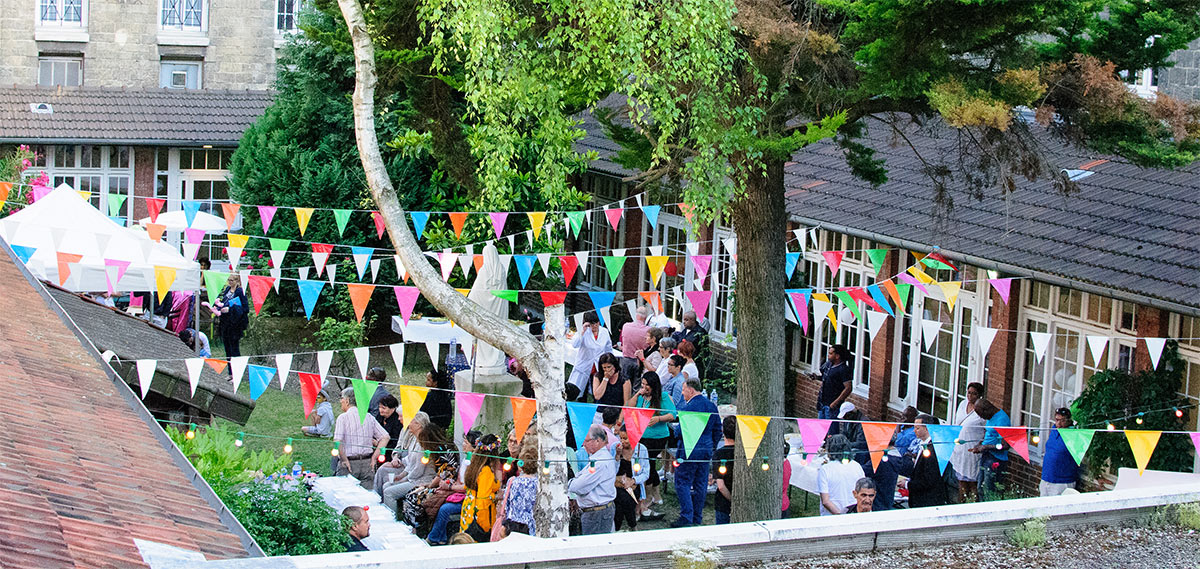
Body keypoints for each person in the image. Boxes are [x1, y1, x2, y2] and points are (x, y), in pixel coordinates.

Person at [671, 378, 720, 527]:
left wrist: (675, 430)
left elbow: (680, 432)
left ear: (691, 390)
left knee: (682, 483)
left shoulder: (688, 409)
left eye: (684, 390)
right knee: (701, 483)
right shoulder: (711, 406)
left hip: (688, 451)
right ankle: (697, 517)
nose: (683, 393)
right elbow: (718, 429)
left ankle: (686, 516)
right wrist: (711, 447)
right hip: (705, 450)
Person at [626, 371, 675, 516]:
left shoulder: (663, 397)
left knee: (648, 463)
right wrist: (637, 394)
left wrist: (658, 419)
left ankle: (649, 495)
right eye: (643, 384)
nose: (644, 387)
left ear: (654, 385)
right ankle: (655, 494)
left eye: (647, 385)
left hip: (657, 437)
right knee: (649, 463)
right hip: (642, 435)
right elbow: (630, 406)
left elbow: (673, 414)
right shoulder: (641, 397)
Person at [333, 387, 391, 489]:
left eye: (341, 398)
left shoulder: (343, 418)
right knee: (366, 498)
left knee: (345, 496)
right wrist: (374, 457)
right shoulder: (369, 417)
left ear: (347, 401)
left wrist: (344, 459)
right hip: (367, 462)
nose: (340, 401)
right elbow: (385, 437)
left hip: (349, 463)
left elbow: (337, 441)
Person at [568, 425, 618, 535]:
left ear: (598, 441)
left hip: (597, 514)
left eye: (587, 441)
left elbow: (578, 486)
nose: (583, 444)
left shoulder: (599, 463)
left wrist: (569, 483)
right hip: (596, 512)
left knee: (595, 549)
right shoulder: (597, 459)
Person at [375, 412, 429, 504]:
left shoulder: (423, 444)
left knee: (389, 492)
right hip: (412, 478)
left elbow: (418, 470)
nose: (408, 424)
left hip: (420, 481)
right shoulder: (414, 440)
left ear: (418, 425)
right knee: (387, 485)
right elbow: (410, 463)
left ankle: (393, 516)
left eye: (411, 421)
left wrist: (403, 479)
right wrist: (401, 476)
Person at [459, 435, 503, 542]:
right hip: (479, 514)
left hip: (468, 507)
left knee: (465, 540)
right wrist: (497, 496)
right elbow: (484, 498)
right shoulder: (486, 471)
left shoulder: (473, 467)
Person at [899, 414, 949, 508]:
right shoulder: (924, 445)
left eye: (917, 428)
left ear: (926, 428)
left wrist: (907, 484)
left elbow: (928, 480)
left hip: (927, 501)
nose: (914, 431)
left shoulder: (932, 450)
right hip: (920, 498)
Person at [951, 382, 986, 502]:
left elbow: (987, 429)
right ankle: (961, 503)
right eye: (969, 393)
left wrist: (981, 443)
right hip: (960, 447)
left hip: (972, 448)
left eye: (974, 394)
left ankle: (973, 505)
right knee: (961, 480)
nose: (970, 396)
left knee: (972, 481)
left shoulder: (982, 410)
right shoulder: (962, 404)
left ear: (980, 395)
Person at [970, 398, 1011, 502]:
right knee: (980, 487)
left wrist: (986, 447)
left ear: (986, 410)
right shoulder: (990, 416)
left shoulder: (1002, 420)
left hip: (996, 460)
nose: (981, 418)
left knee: (989, 490)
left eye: (980, 415)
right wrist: (981, 443)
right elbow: (988, 433)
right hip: (986, 456)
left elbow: (1005, 445)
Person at [613, 424, 650, 531]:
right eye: (620, 438)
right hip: (617, 483)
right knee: (622, 499)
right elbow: (611, 470)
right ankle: (632, 525)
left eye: (625, 438)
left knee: (624, 500)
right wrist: (617, 456)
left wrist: (633, 480)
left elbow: (646, 473)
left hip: (634, 484)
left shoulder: (641, 449)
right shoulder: (615, 447)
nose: (622, 441)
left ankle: (618, 527)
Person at [818, 434, 865, 515]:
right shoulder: (857, 466)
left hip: (832, 516)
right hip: (852, 513)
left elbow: (825, 501)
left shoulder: (825, 469)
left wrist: (840, 515)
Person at [570, 313, 612, 399]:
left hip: (598, 366)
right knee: (580, 391)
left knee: (596, 391)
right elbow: (574, 344)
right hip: (584, 365)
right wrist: (582, 331)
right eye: (592, 324)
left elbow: (608, 348)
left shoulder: (604, 332)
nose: (595, 326)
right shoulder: (584, 332)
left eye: (596, 323)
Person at [1040, 407, 1080, 497]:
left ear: (1069, 420)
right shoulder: (1054, 429)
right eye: (1057, 420)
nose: (1059, 424)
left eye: (1062, 421)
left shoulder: (1073, 434)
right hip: (1047, 477)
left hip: (1062, 481)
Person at [206, 273, 247, 359]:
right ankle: (230, 370)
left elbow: (245, 308)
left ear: (237, 281)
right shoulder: (227, 289)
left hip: (235, 323)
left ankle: (237, 368)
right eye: (228, 280)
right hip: (225, 322)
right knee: (227, 348)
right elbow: (223, 302)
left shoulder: (240, 291)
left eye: (231, 280)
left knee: (234, 348)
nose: (229, 282)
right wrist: (217, 308)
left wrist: (230, 309)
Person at [501, 446, 539, 536]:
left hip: (514, 525)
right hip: (533, 525)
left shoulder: (513, 481)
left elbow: (506, 505)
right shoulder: (539, 484)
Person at [813, 345, 853, 419]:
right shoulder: (828, 364)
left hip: (832, 405)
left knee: (831, 429)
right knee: (821, 428)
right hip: (822, 402)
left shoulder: (843, 369)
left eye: (830, 354)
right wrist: (816, 377)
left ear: (837, 356)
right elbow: (827, 378)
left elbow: (848, 388)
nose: (828, 355)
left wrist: (835, 403)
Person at [712, 415, 737, 525]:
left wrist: (733, 500)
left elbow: (721, 486)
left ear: (723, 431)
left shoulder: (719, 454)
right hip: (743, 499)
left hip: (724, 503)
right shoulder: (746, 453)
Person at [618, 306, 651, 382]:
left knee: (624, 383)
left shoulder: (626, 326)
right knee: (636, 386)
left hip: (626, 360)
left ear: (636, 315)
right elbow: (647, 347)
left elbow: (623, 343)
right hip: (639, 361)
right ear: (645, 317)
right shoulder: (648, 331)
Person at [671, 310, 708, 378]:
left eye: (686, 320)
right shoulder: (685, 330)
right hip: (682, 361)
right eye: (683, 320)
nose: (684, 322)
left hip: (694, 363)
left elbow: (702, 350)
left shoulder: (701, 332)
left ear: (692, 320)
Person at [372, 395, 404, 462]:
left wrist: (380, 444)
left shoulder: (398, 421)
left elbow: (396, 441)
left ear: (392, 409)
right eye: (379, 407)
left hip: (390, 454)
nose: (380, 410)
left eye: (383, 408)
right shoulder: (379, 416)